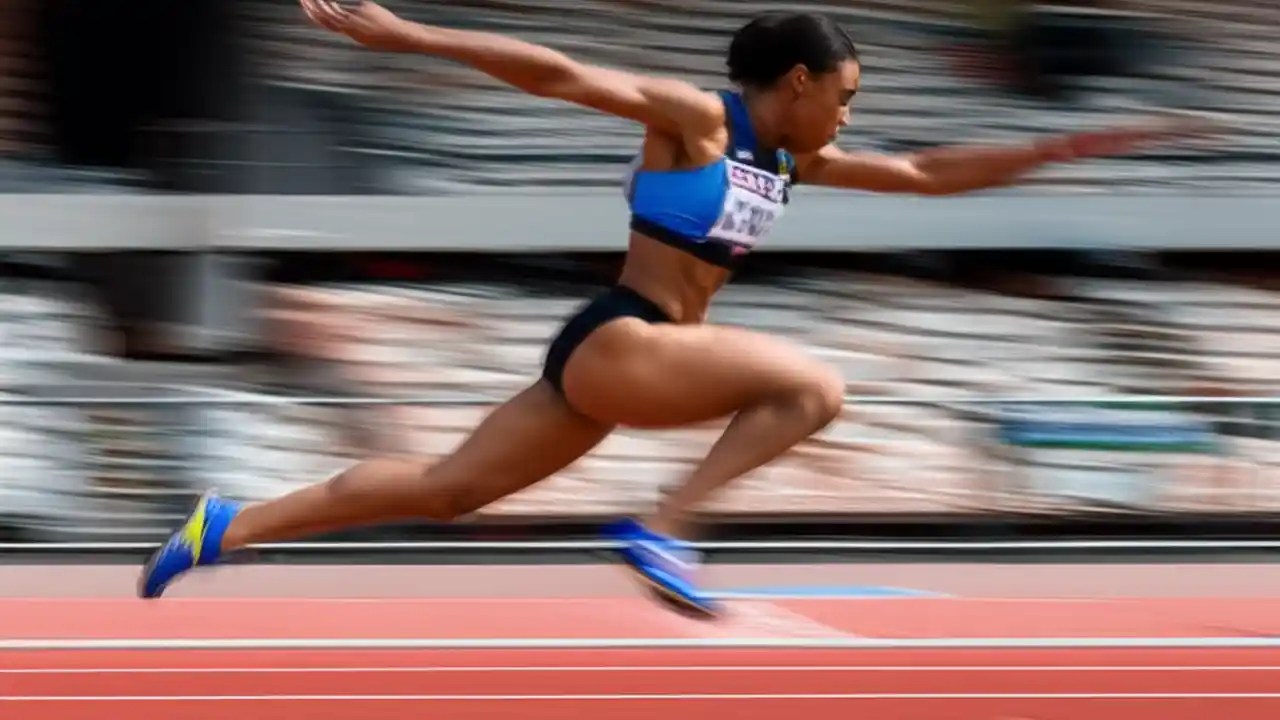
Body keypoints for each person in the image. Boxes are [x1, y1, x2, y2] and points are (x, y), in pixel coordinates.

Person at [138, 0, 1209, 615]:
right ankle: (662, 527)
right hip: (624, 336)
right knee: (813, 387)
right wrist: (410, 36)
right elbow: (560, 74)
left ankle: (227, 525)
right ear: (796, 81)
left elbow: (928, 174)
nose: (848, 117)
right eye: (843, 97)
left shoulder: (792, 159)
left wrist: (1059, 148)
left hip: (618, 357)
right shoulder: (697, 119)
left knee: (448, 490)